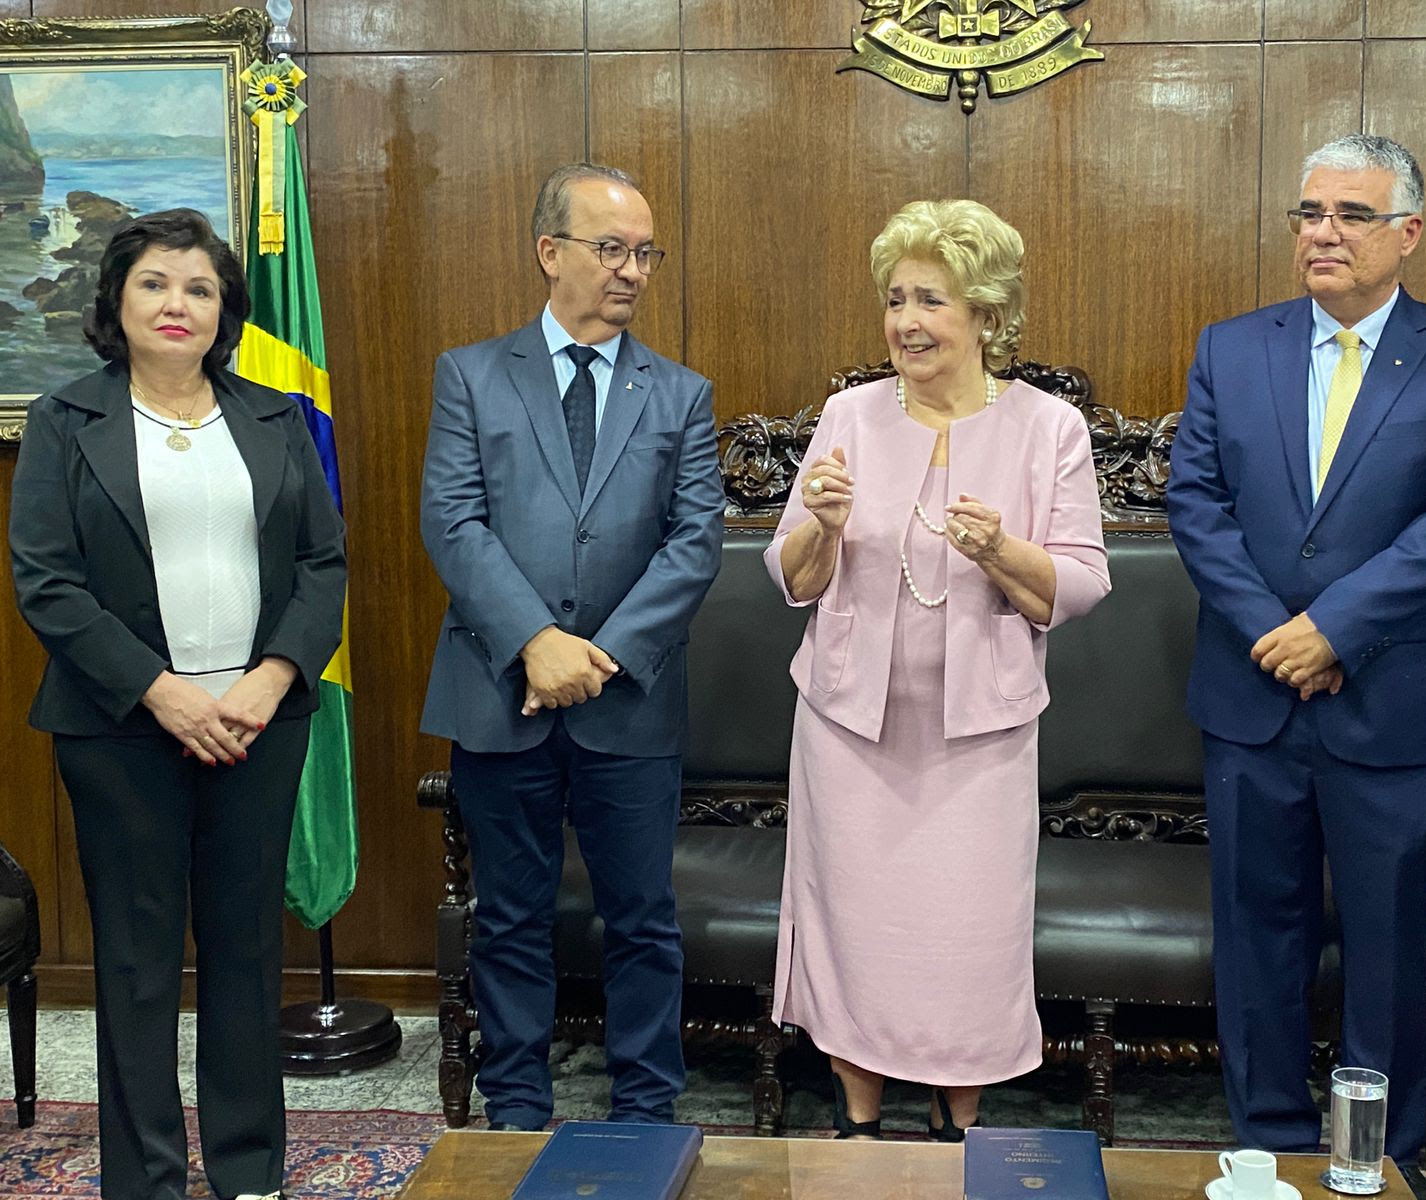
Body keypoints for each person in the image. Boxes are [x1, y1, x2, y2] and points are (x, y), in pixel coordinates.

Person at [1166, 134, 1426, 1164]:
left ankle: (1379, 1161)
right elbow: (1196, 504)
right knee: (1256, 941)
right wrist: (1276, 636)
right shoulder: (1232, 348)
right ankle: (1269, 1148)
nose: (1323, 232)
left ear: (1408, 233)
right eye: (1309, 213)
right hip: (1251, 697)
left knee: (1386, 947)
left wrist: (1334, 630)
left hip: (1393, 706)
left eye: (1352, 215)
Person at [8, 208, 347, 1200]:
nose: (177, 304)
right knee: (137, 961)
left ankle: (249, 1170)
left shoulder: (274, 418)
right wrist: (163, 694)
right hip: (119, 729)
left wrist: (271, 678)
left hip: (258, 725)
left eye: (200, 288)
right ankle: (145, 1179)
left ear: (223, 311)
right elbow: (46, 581)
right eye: (155, 283)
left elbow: (322, 564)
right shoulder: (66, 420)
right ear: (117, 299)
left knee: (246, 952)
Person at [765, 199, 1111, 1140]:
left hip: (978, 742)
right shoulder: (848, 415)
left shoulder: (1048, 428)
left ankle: (957, 1124)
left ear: (988, 316)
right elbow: (791, 579)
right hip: (848, 730)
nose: (907, 322)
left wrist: (1000, 549)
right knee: (856, 927)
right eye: (895, 300)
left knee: (966, 938)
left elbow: (1081, 583)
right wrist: (822, 527)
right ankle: (859, 1121)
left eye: (931, 301)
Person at [419, 163, 723, 1130]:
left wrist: (599, 656)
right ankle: (515, 1107)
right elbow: (453, 522)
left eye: (645, 253)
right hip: (498, 690)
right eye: (611, 249)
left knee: (642, 918)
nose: (632, 270)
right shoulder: (471, 374)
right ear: (550, 252)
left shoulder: (681, 395)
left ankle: (645, 1108)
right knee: (510, 917)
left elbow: (695, 542)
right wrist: (537, 642)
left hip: (627, 700)